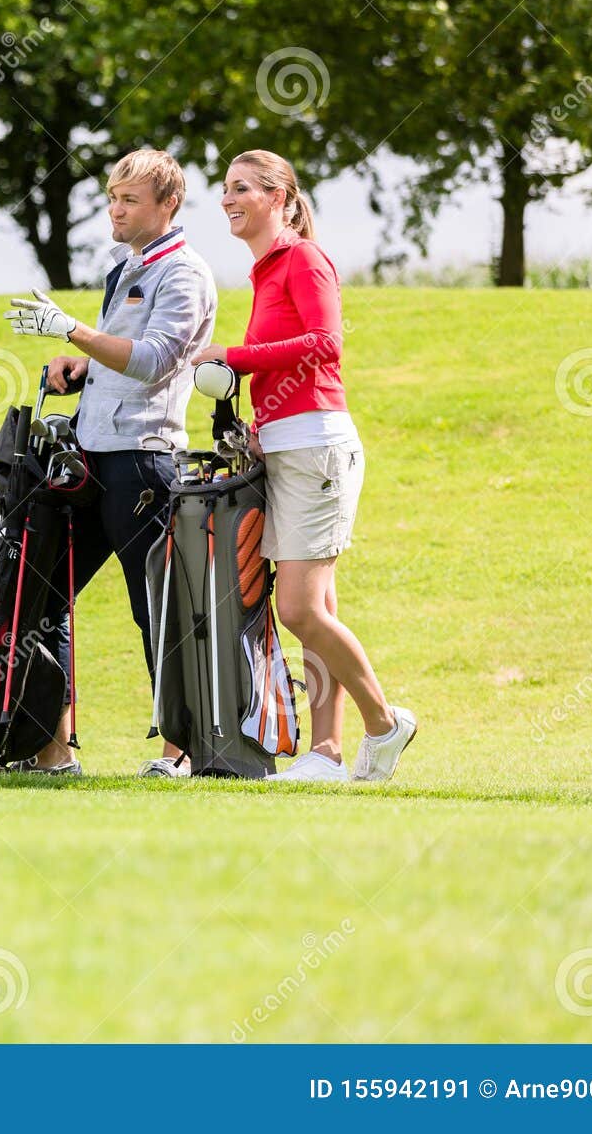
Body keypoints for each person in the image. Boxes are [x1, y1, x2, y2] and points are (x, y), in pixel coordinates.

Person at [190, 149, 417, 782]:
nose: (228, 199)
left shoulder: (304, 260)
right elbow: (284, 362)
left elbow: (325, 344)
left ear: (280, 199)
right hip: (291, 447)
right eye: (225, 190)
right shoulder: (265, 270)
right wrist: (261, 427)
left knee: (298, 611)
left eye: (242, 189)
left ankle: (384, 723)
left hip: (318, 449)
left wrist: (235, 356)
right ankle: (326, 753)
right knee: (319, 610)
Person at [4, 148, 216, 777]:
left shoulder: (184, 272)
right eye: (111, 199)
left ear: (166, 204)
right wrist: (85, 366)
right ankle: (54, 751)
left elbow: (155, 360)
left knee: (153, 605)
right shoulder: (128, 266)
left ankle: (180, 754)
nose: (114, 211)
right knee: (46, 594)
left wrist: (72, 332)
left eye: (128, 201)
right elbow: (123, 355)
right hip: (92, 459)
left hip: (145, 461)